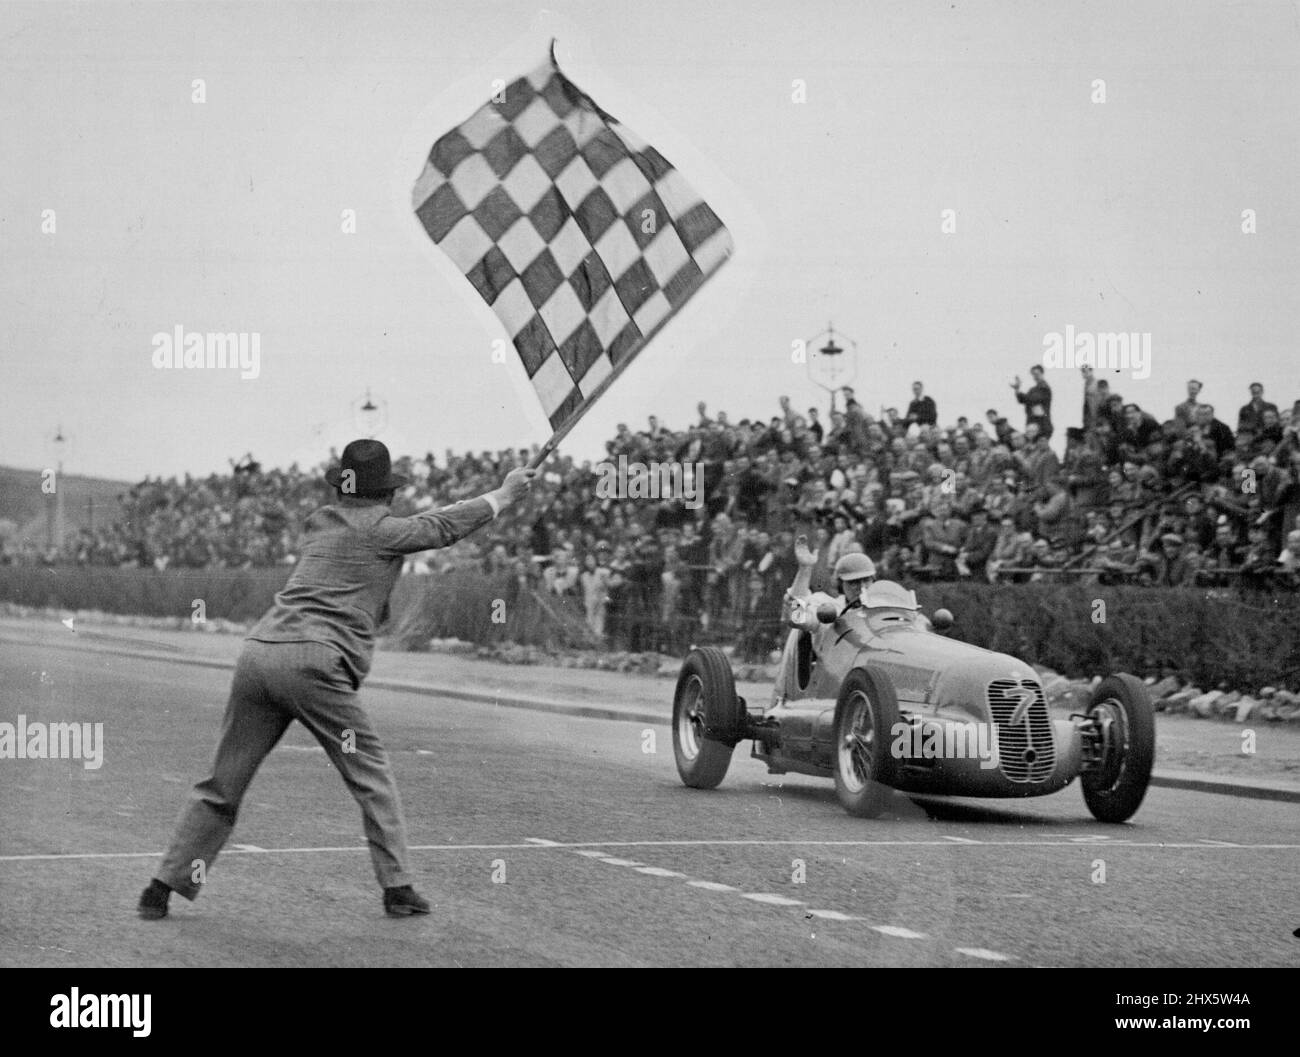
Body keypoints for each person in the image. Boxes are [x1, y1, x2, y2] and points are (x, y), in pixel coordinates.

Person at [138, 439, 536, 920]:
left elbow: (410, 528)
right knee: (371, 775)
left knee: (223, 783)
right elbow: (441, 526)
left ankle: (161, 886)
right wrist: (504, 494)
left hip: (258, 656)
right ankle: (398, 887)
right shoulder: (383, 530)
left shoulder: (319, 524)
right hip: (314, 665)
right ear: (387, 493)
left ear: (343, 488)